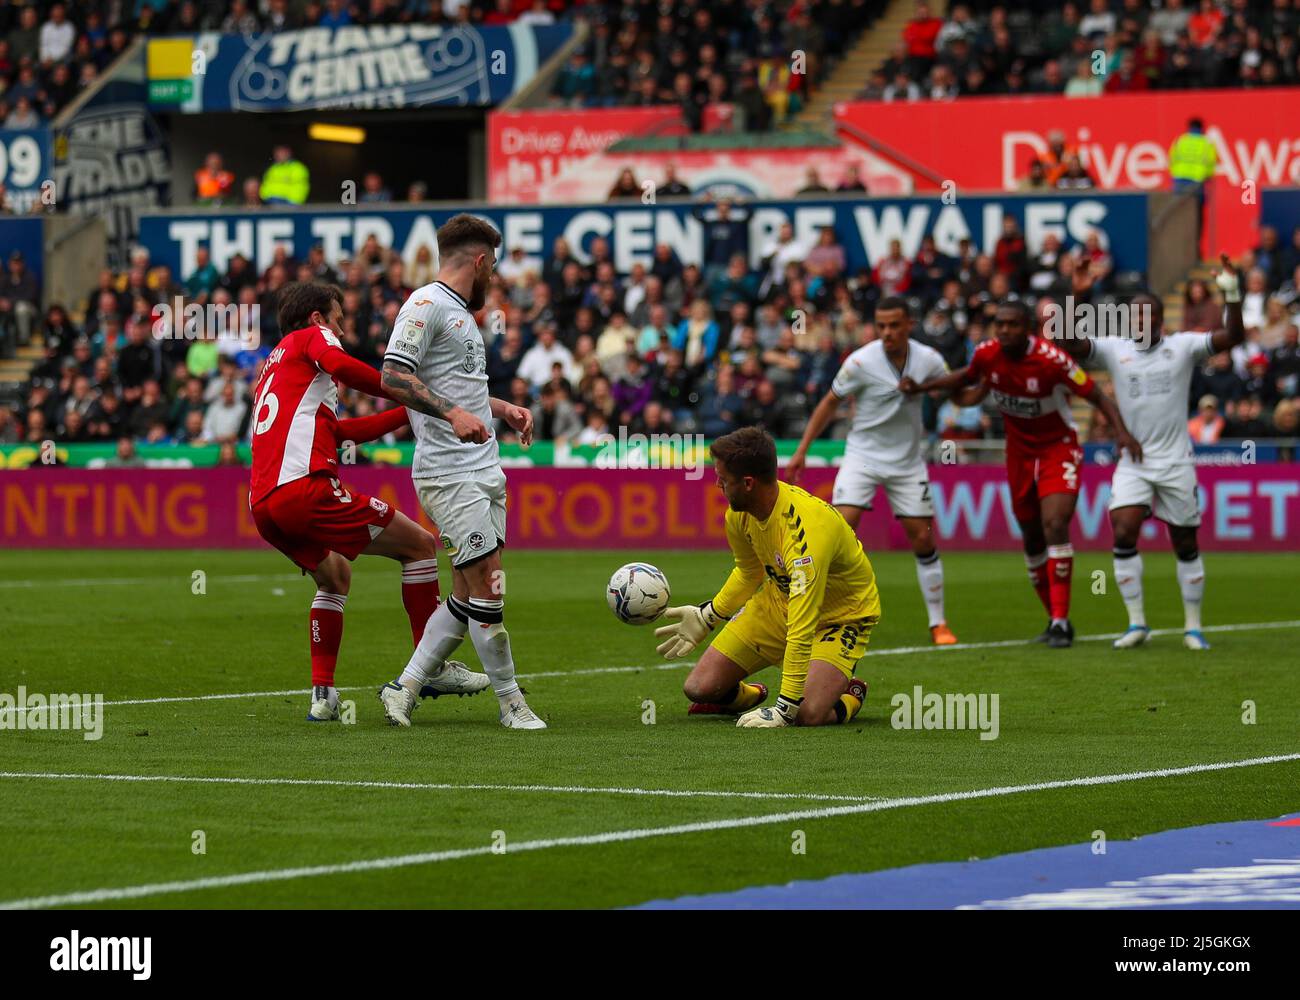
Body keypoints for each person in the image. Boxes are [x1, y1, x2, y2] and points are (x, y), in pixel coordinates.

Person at [247, 282, 487, 722]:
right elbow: (339, 362)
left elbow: (342, 434)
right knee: (419, 547)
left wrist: (419, 409)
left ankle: (323, 695)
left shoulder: (277, 369)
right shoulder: (311, 339)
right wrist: (400, 386)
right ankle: (430, 665)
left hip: (264, 503)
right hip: (305, 487)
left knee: (334, 578)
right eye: (338, 317)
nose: (342, 325)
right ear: (319, 318)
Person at [377, 214, 545, 730]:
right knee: (490, 587)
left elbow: (461, 390)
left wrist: (501, 409)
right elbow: (392, 375)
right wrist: (451, 415)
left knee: (470, 593)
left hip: (484, 468)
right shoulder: (425, 305)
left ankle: (403, 687)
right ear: (479, 261)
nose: (493, 275)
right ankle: (512, 702)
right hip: (449, 474)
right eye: (492, 264)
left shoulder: (459, 314)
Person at [901, 300, 1143, 648]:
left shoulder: (1052, 360)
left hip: (1058, 447)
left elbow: (1097, 396)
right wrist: (924, 387)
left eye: (1012, 324)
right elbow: (967, 379)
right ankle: (1055, 619)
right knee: (1030, 535)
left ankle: (1060, 620)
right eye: (999, 324)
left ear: (1027, 327)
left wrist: (1121, 432)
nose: (1003, 330)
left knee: (1055, 525)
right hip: (1018, 453)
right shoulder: (987, 354)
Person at [1059, 258, 1244, 650]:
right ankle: (1137, 623)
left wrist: (1232, 293)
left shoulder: (1183, 346)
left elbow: (1232, 336)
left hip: (1176, 461)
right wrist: (1077, 295)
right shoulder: (1115, 350)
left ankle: (1193, 627)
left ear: (1161, 319)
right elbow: (1070, 345)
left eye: (1149, 315)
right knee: (1123, 530)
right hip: (1134, 463)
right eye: (1135, 316)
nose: (1141, 322)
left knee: (1185, 543)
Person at [653, 427, 876, 728]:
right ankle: (752, 696)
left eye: (723, 479)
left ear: (747, 483)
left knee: (808, 714)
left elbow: (801, 624)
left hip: (841, 616)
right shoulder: (739, 513)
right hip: (778, 601)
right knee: (699, 688)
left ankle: (850, 693)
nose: (717, 483)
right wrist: (709, 615)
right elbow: (748, 573)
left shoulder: (804, 533)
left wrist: (785, 709)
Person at [787, 297, 967, 645]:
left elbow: (955, 392)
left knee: (924, 538)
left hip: (908, 461)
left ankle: (938, 623)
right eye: (881, 325)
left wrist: (980, 386)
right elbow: (829, 402)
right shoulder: (859, 362)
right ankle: (812, 614)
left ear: (908, 325)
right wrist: (801, 450)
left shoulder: (928, 360)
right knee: (833, 535)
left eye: (894, 325)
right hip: (862, 457)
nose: (887, 332)